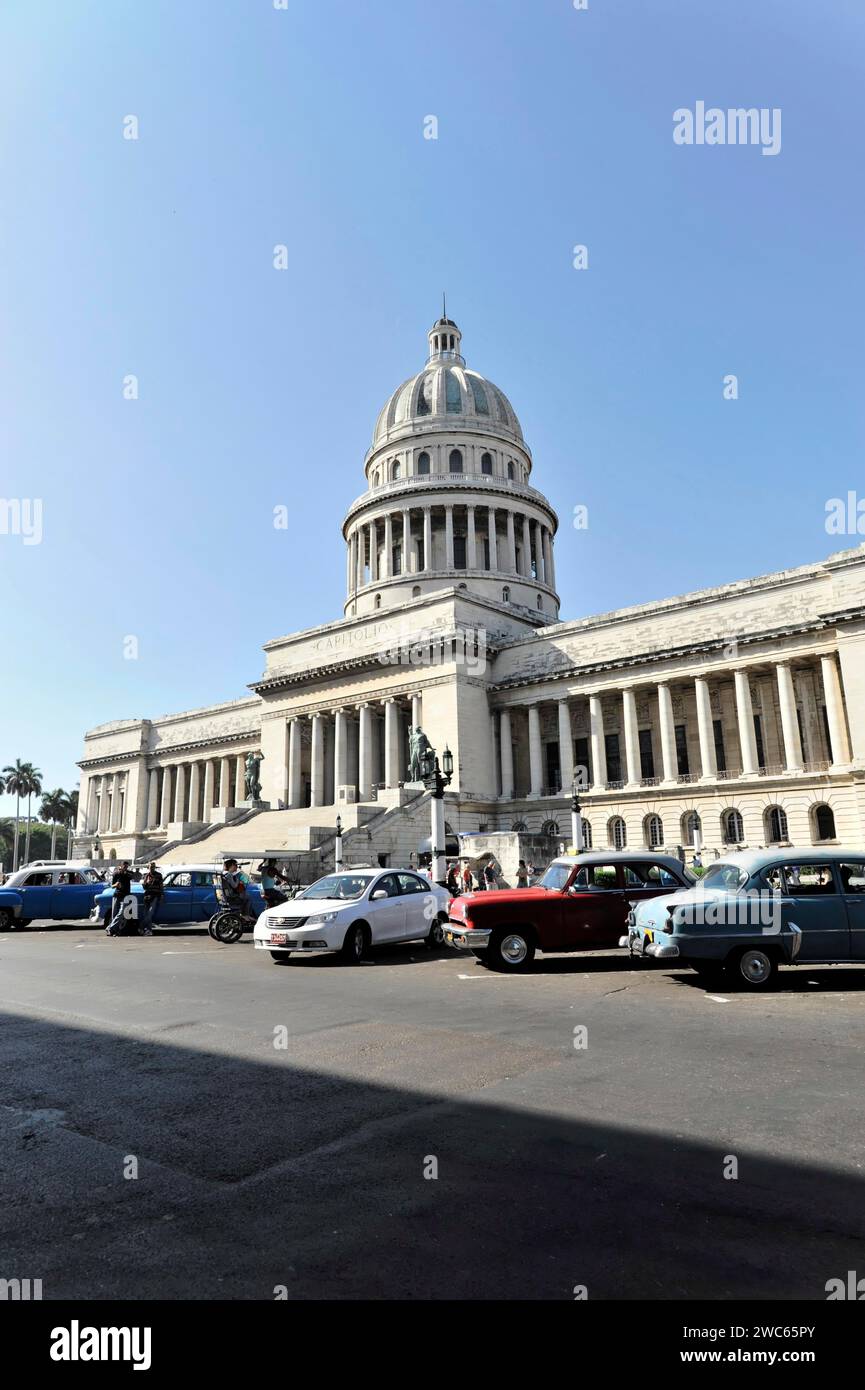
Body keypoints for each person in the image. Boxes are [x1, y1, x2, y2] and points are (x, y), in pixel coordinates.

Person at [106, 860, 133, 936]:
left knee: (121, 913)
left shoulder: (128, 873)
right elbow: (112, 885)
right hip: (117, 895)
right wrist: (116, 885)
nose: (126, 867)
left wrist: (124, 872)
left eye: (127, 866)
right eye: (124, 866)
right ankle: (114, 931)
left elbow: (131, 876)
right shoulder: (116, 874)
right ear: (121, 866)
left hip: (125, 896)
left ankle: (110, 928)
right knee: (114, 914)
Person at [139, 862, 164, 935]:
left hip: (155, 895)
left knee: (150, 913)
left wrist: (162, 894)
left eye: (153, 867)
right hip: (147, 896)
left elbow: (161, 886)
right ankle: (149, 930)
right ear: (148, 868)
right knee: (146, 913)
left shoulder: (159, 875)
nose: (151, 868)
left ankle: (141, 927)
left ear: (155, 867)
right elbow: (144, 887)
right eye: (150, 867)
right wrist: (146, 883)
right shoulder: (146, 876)